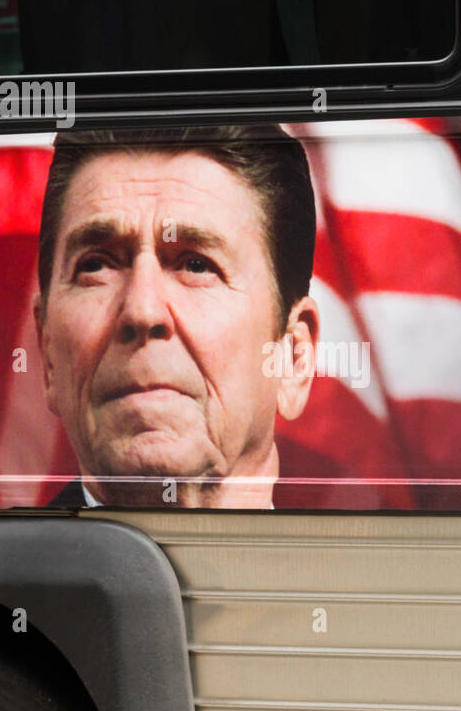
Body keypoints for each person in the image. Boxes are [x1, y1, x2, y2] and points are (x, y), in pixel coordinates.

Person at [35, 125, 318, 509]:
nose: (142, 309)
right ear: (48, 353)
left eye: (198, 265)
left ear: (293, 359)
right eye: (97, 265)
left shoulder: (377, 570)